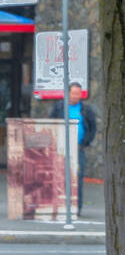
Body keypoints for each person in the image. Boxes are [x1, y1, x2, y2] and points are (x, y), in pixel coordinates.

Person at [50, 82, 97, 216]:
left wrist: (85, 143)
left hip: (78, 149)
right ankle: (60, 207)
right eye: (74, 93)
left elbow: (93, 128)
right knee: (60, 177)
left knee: (77, 178)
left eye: (79, 93)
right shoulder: (59, 107)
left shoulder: (86, 109)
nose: (76, 96)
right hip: (61, 149)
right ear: (68, 93)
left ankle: (77, 208)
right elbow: (50, 123)